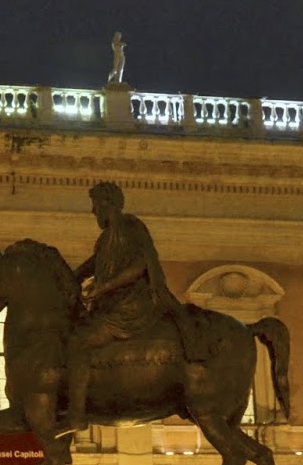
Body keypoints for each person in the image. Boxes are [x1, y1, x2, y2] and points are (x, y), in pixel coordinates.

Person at [57, 182, 203, 437]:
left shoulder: (131, 226)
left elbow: (139, 265)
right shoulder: (106, 237)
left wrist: (104, 287)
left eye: (95, 206)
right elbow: (97, 263)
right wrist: (75, 276)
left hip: (131, 303)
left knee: (78, 342)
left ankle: (77, 416)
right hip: (113, 300)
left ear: (108, 204)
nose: (93, 212)